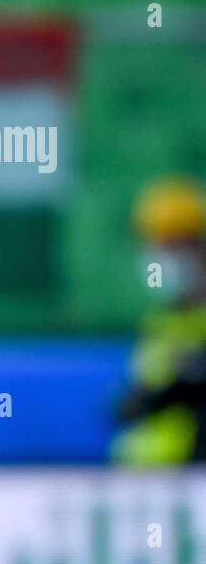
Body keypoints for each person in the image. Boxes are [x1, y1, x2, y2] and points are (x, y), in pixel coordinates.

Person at [113, 176, 206, 464]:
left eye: (175, 245)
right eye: (156, 246)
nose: (163, 259)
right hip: (150, 482)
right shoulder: (157, 324)